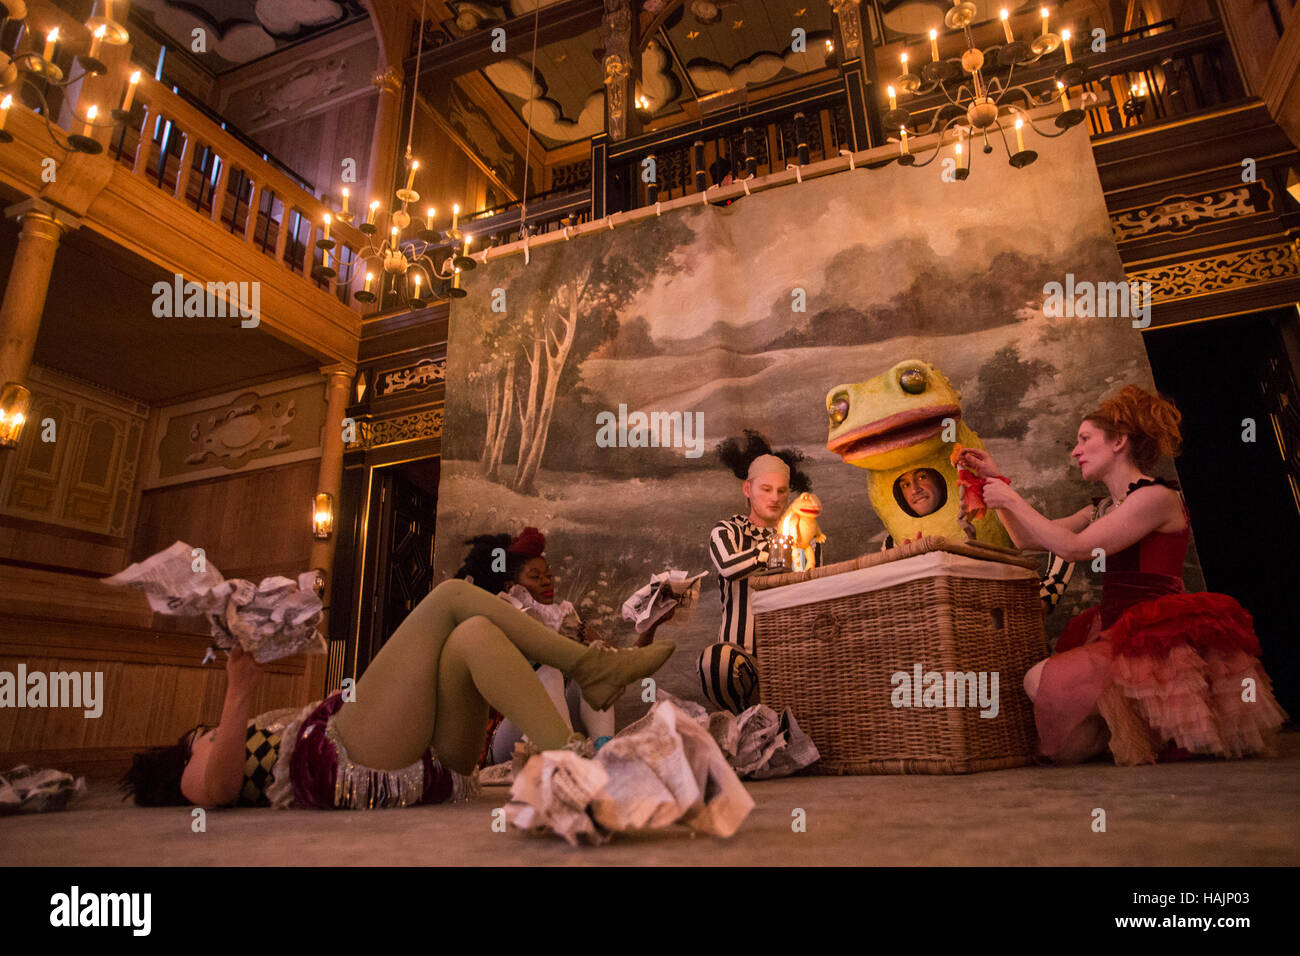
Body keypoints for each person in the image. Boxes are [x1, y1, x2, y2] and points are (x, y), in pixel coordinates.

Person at [121, 579, 675, 808]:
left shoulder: (249, 732)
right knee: (451, 595)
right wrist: (236, 695)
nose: (208, 737)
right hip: (343, 760)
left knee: (472, 634)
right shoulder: (196, 756)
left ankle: (568, 757)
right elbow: (214, 792)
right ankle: (592, 668)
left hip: (425, 760)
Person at [957, 384, 1287, 764]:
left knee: (1038, 681)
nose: (1076, 450)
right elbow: (1028, 539)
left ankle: (1147, 727)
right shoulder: (1100, 508)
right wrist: (996, 483)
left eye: (1085, 439)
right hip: (1113, 625)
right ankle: (1135, 724)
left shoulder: (1154, 498)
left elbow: (1077, 549)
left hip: (1155, 633)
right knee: (1069, 749)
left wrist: (1010, 497)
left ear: (1119, 442)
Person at [455, 527, 675, 764]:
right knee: (548, 671)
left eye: (548, 575)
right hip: (509, 734)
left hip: (560, 726)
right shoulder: (503, 612)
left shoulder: (567, 620)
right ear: (512, 586)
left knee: (592, 674)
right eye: (535, 576)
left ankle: (605, 752)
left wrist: (651, 623)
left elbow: (619, 668)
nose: (546, 582)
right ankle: (567, 753)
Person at [698, 430, 815, 714]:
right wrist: (771, 551)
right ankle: (746, 723)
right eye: (766, 489)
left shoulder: (805, 538)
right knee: (716, 662)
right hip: (743, 660)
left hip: (792, 656)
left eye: (782, 490)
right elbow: (728, 566)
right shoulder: (727, 530)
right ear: (747, 490)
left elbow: (813, 590)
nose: (775, 498)